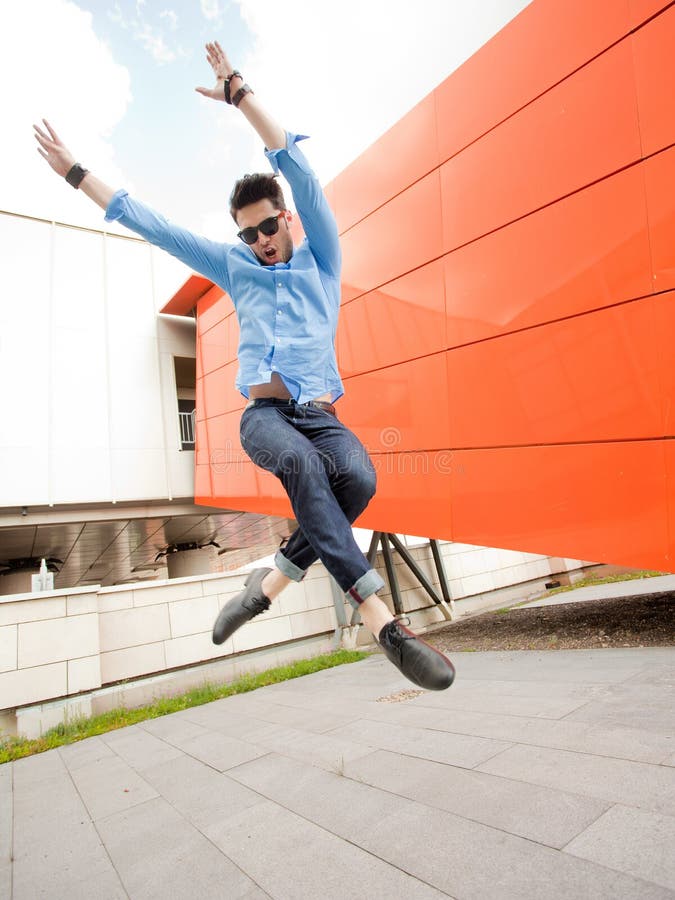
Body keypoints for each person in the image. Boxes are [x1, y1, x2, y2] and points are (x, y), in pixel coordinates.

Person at [34, 41, 455, 691]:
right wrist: (75, 173)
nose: (257, 242)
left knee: (359, 481)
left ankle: (268, 585)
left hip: (321, 413)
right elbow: (150, 223)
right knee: (306, 469)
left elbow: (295, 162)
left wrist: (238, 93)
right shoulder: (234, 266)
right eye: (246, 235)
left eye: (265, 228)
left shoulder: (321, 260)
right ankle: (383, 622)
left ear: (285, 219)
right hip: (263, 418)